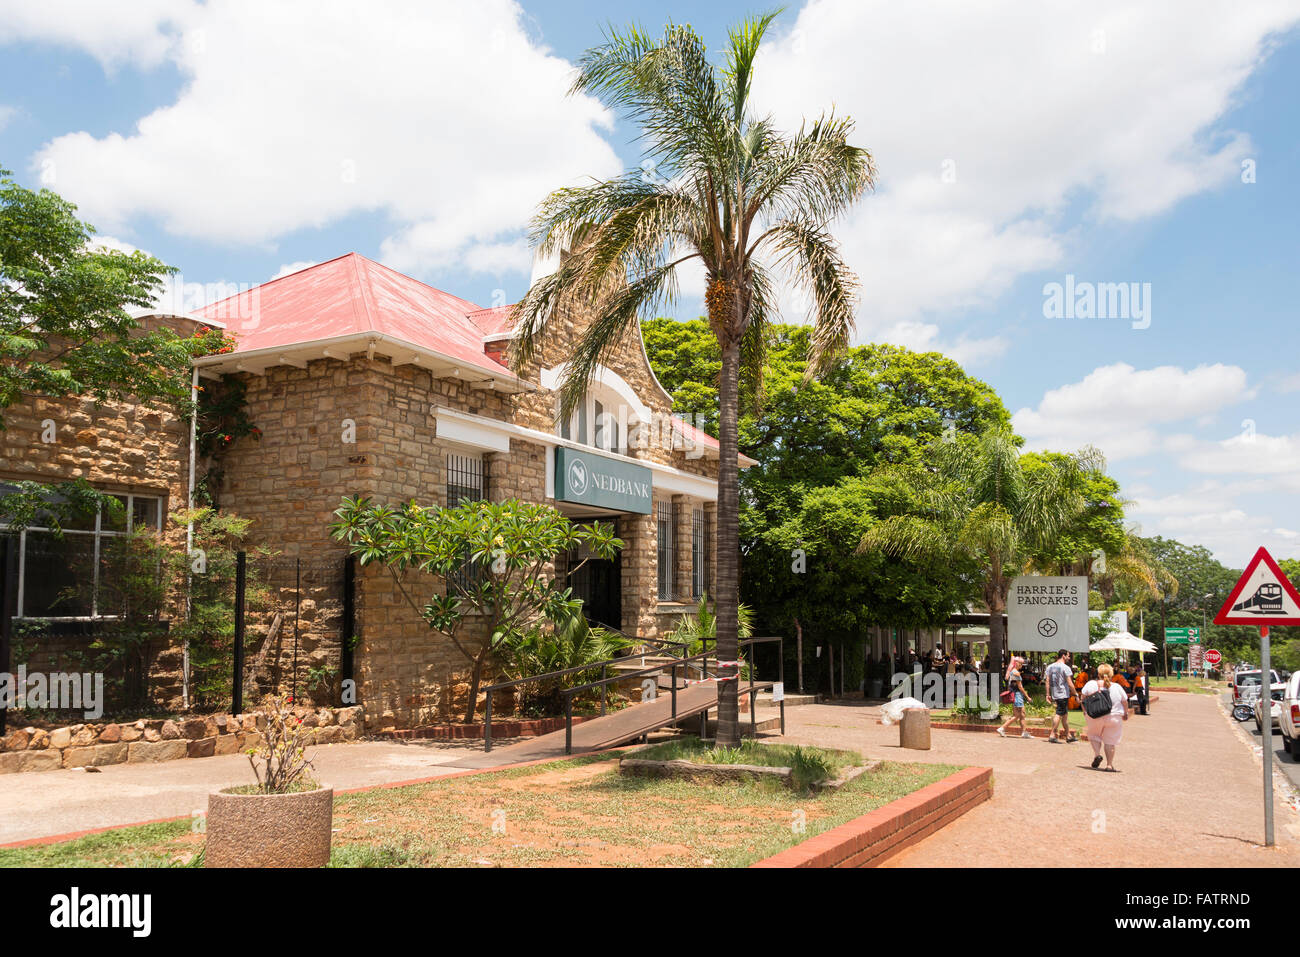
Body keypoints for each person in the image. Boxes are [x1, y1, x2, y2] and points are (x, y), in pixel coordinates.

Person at [1080, 663, 1129, 771]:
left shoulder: (1090, 684)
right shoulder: (1116, 687)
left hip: (1095, 715)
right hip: (1114, 717)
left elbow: (1082, 699)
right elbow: (1124, 702)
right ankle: (1109, 765)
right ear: (1111, 674)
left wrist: (1085, 712)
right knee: (1110, 742)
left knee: (1093, 736)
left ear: (1098, 673)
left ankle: (1097, 754)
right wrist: (1125, 713)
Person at [1044, 648, 1078, 744]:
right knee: (1059, 714)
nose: (1069, 658)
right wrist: (1075, 693)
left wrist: (1047, 694)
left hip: (1055, 693)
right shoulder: (1065, 667)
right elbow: (1070, 683)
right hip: (1063, 694)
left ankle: (1068, 735)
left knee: (1064, 715)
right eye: (1068, 656)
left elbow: (1047, 681)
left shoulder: (1050, 667)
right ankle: (1052, 734)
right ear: (1063, 656)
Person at [997, 656, 1033, 739]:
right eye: (1021, 663)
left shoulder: (1012, 672)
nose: (1022, 665)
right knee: (1017, 715)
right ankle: (1002, 728)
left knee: (1022, 715)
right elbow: (1020, 687)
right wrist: (1027, 697)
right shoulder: (1016, 673)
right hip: (1017, 695)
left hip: (1016, 695)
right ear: (1016, 663)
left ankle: (1024, 732)